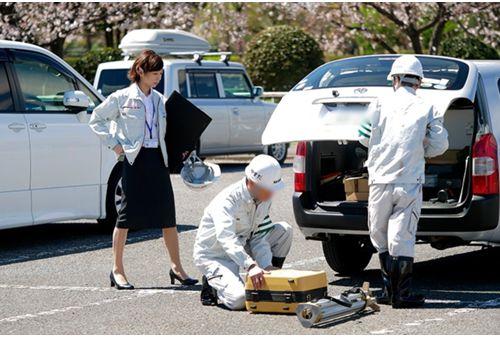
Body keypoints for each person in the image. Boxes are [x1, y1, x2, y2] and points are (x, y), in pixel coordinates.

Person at [89, 49, 197, 290]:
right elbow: (96, 119)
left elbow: (167, 132)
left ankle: (177, 267)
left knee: (168, 215)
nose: (158, 77)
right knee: (126, 215)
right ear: (140, 71)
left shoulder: (159, 99)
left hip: (158, 159)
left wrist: (182, 148)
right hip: (134, 160)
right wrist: (116, 146)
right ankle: (117, 270)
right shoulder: (121, 97)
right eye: (155, 73)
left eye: (160, 73)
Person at [358, 55, 448, 308]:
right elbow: (441, 145)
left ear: (395, 80)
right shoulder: (428, 107)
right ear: (418, 82)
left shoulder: (377, 104)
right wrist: (420, 150)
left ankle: (388, 291)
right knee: (403, 235)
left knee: (380, 234)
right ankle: (402, 294)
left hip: (379, 180)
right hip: (409, 180)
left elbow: (363, 137)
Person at [193, 155, 293, 310]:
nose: (272, 194)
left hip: (243, 243)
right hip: (216, 255)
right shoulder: (227, 202)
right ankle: (212, 281)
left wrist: (266, 265)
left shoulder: (264, 197)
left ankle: (269, 281)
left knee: (284, 231)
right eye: (269, 190)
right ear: (253, 183)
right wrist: (251, 265)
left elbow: (259, 235)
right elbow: (226, 239)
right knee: (240, 300)